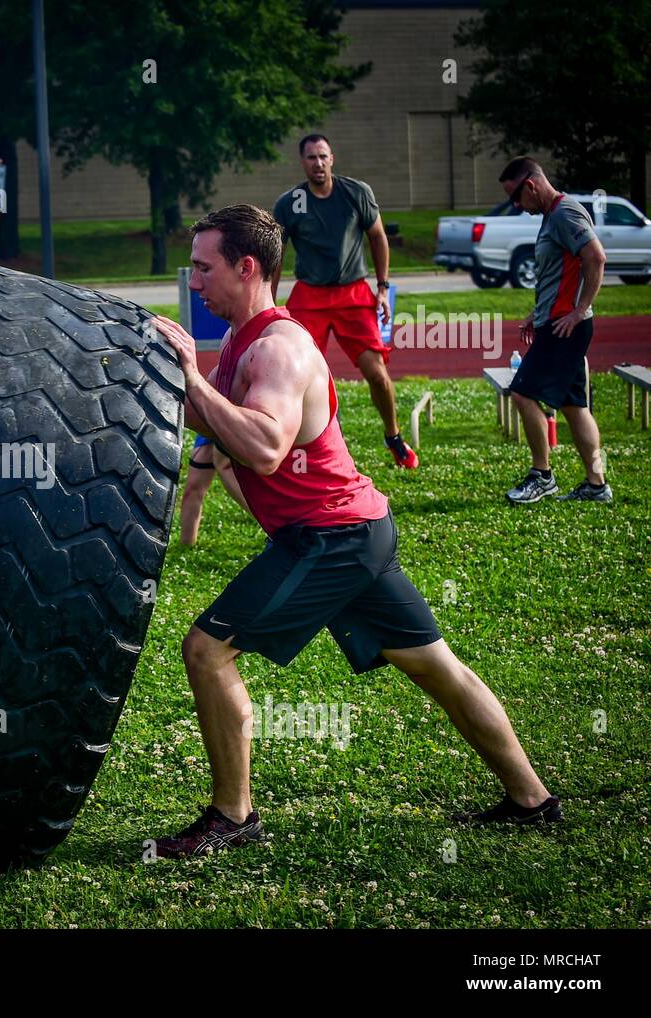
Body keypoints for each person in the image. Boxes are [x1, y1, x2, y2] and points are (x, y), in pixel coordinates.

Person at [150, 204, 559, 858]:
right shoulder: (237, 338)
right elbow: (226, 437)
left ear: (246, 267)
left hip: (331, 539)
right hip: (353, 531)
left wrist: (193, 379)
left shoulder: (280, 349)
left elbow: (264, 446)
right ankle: (533, 800)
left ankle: (234, 815)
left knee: (206, 650)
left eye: (204, 267)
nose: (194, 281)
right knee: (440, 670)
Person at [271, 134, 418, 469]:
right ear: (302, 162)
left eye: (323, 156)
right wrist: (270, 298)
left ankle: (393, 436)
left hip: (353, 293)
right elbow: (276, 253)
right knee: (298, 376)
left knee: (376, 372)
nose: (318, 163)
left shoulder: (356, 193)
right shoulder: (290, 203)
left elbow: (378, 236)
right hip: (309, 295)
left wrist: (382, 287)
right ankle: (301, 448)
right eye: (311, 158)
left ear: (332, 158)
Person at [498, 157, 612, 504]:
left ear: (530, 186)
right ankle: (596, 485)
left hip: (565, 329)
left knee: (522, 394)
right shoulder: (553, 216)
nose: (518, 206)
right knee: (575, 406)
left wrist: (578, 312)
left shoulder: (564, 213)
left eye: (516, 198)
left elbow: (596, 257)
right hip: (557, 321)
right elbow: (563, 273)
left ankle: (542, 475)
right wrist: (539, 312)